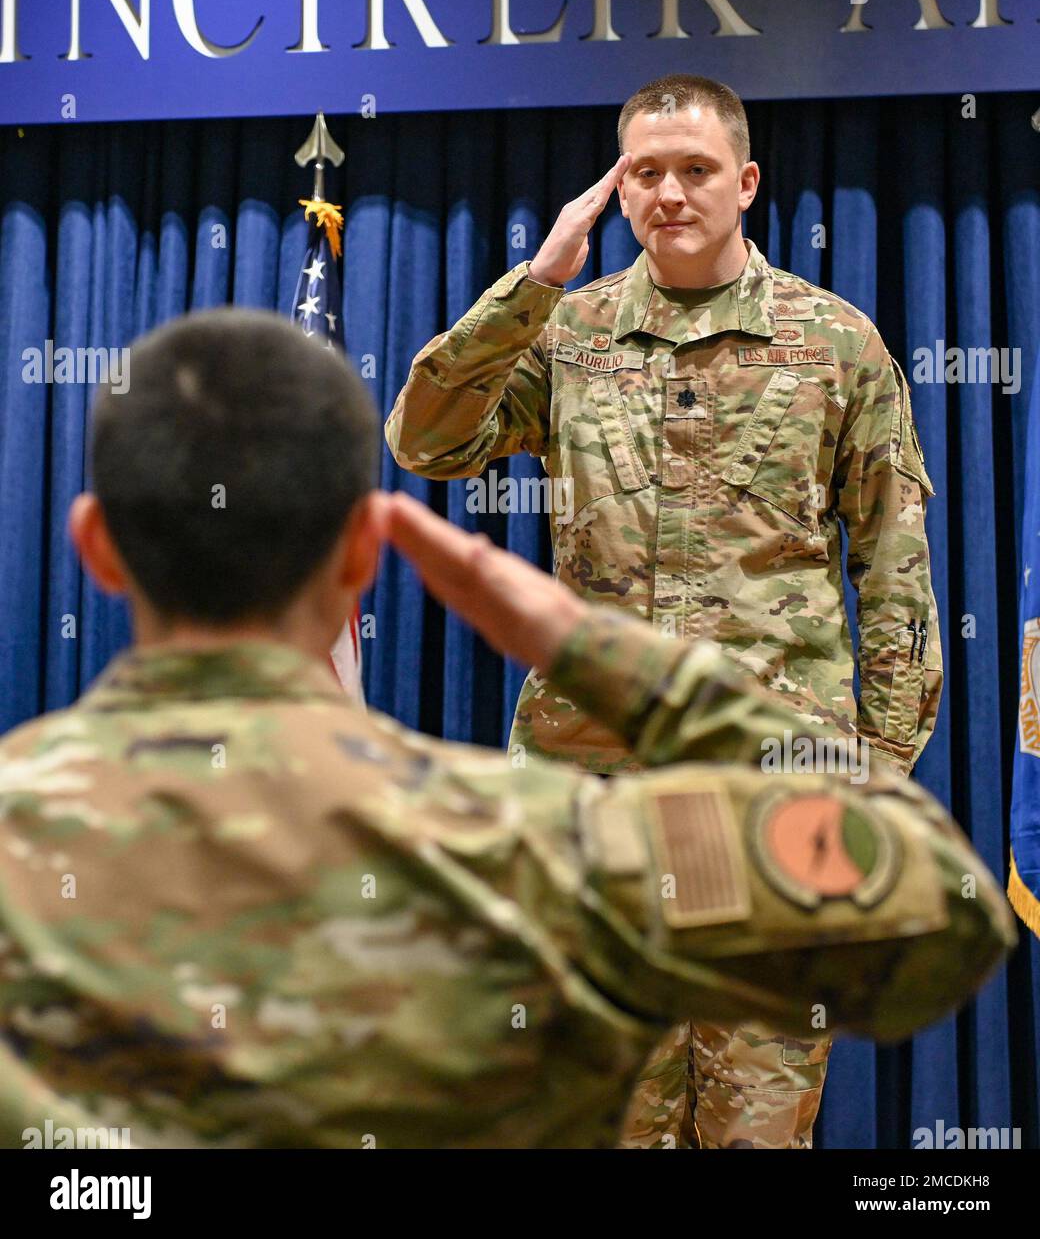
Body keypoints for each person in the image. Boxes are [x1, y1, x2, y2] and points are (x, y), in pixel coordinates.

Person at [0, 311, 1004, 1151]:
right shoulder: (538, 848)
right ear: (364, 551)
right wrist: (601, 652)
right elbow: (931, 904)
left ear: (94, 544)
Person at [385, 74, 943, 1147]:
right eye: (644, 171)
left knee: (758, 1122)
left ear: (743, 182)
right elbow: (426, 441)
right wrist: (535, 285)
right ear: (617, 185)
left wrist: (876, 768)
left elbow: (892, 566)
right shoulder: (571, 334)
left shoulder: (832, 342)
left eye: (693, 170)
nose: (668, 193)